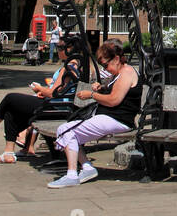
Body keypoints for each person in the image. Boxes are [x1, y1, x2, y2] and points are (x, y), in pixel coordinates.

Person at [0, 42, 85, 164]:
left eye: (60, 48)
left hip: (54, 108)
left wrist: (39, 88)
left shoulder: (69, 67)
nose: (58, 50)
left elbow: (53, 93)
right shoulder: (78, 65)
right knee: (11, 110)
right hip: (58, 106)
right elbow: (60, 90)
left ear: (70, 49)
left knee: (10, 98)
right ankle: (8, 153)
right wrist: (43, 91)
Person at [47, 40, 140, 187]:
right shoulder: (120, 72)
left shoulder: (127, 72)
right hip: (110, 118)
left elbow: (114, 100)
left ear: (116, 59)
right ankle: (86, 167)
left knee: (67, 131)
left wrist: (92, 95)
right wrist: (102, 87)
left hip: (117, 120)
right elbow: (113, 91)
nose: (106, 69)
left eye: (106, 65)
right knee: (65, 130)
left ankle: (73, 174)